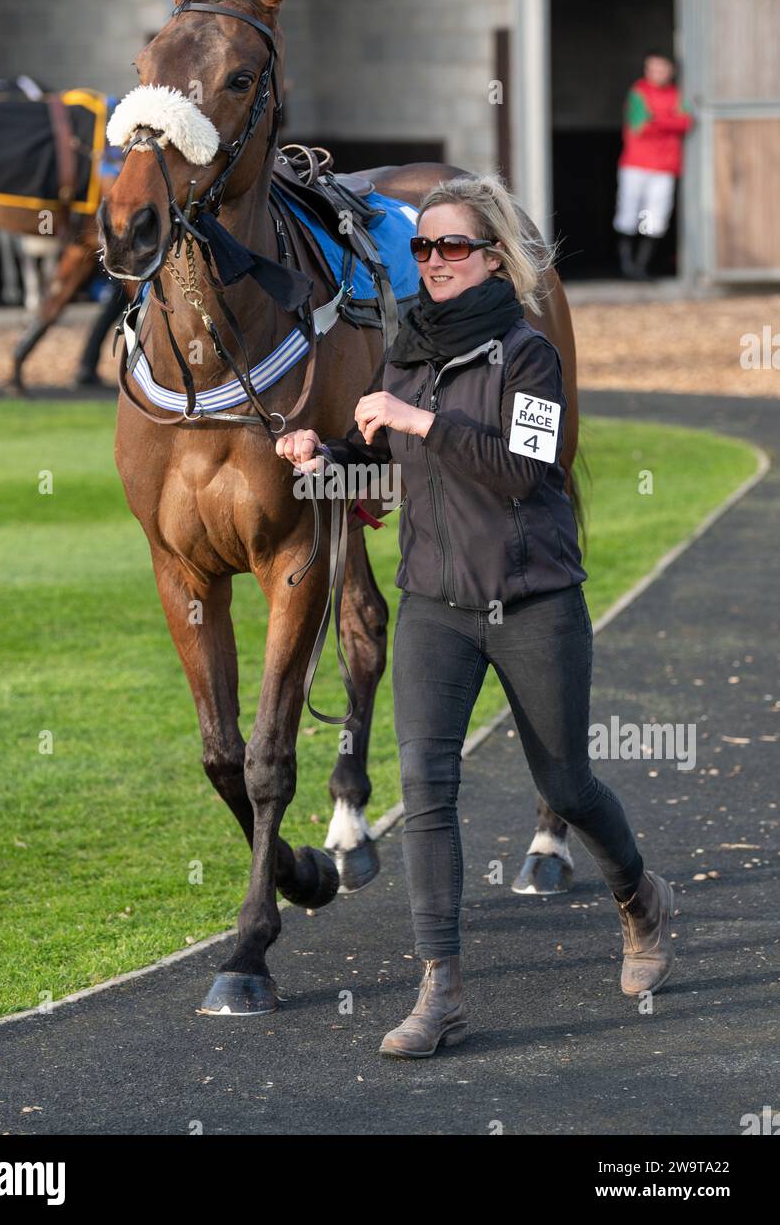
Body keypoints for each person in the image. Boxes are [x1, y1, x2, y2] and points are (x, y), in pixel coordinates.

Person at [276, 174, 675, 1058]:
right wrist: (325, 456)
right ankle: (440, 991)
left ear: (492, 257)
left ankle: (641, 899)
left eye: (452, 247)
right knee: (426, 790)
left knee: (568, 784)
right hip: (435, 606)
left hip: (533, 599)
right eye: (421, 248)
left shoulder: (530, 353)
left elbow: (525, 470)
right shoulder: (407, 348)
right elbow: (379, 460)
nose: (434, 262)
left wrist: (415, 421)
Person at [613, 51, 694, 280]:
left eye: (662, 68)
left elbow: (686, 122)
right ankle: (626, 267)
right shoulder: (639, 92)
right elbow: (640, 125)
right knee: (628, 215)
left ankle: (641, 267)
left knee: (654, 218)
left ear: (671, 70)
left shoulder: (676, 94)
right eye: (653, 68)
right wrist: (670, 121)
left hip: (665, 166)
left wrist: (658, 119)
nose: (657, 73)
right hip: (636, 164)